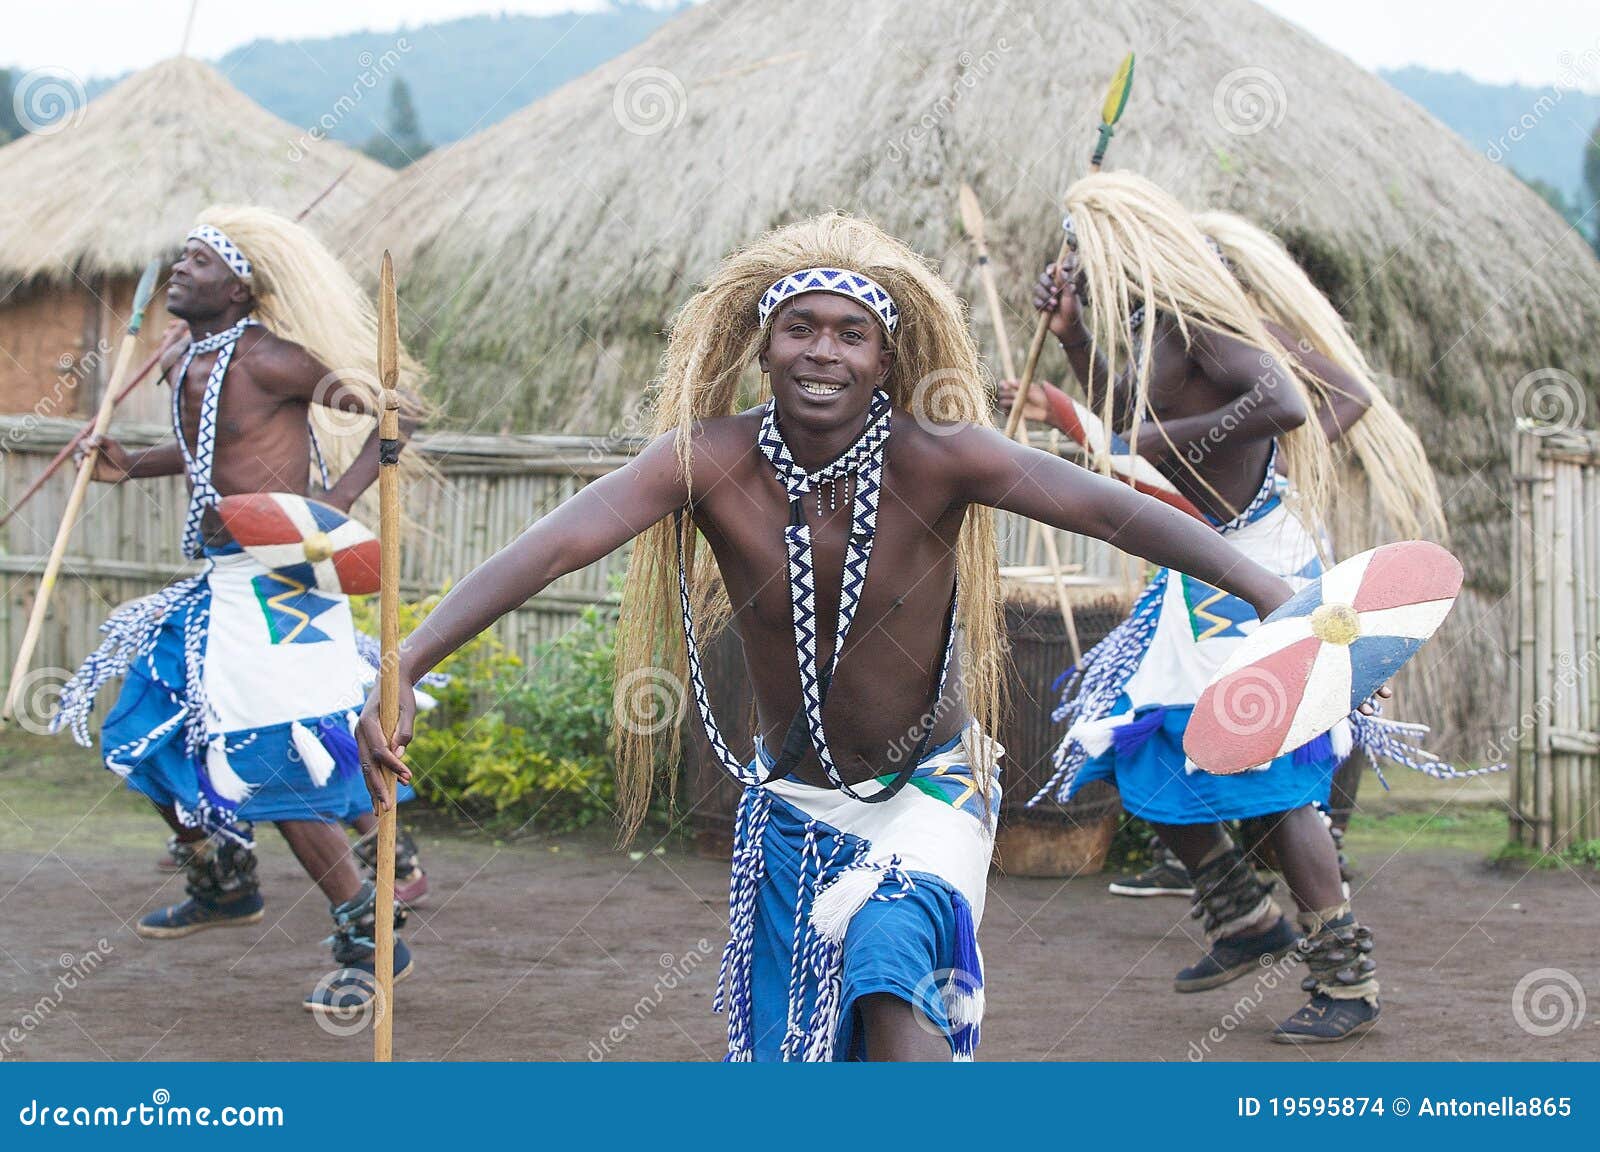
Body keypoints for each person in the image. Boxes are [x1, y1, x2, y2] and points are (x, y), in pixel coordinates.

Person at [355, 213, 1328, 1061]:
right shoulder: (706, 461)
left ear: (885, 358)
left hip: (930, 793)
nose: (824, 351)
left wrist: (1264, 588)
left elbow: (1108, 512)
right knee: (799, 1057)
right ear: (762, 346)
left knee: (889, 980)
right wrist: (407, 657)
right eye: (801, 329)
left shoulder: (943, 456)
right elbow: (558, 543)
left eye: (851, 335)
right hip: (789, 808)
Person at [1018, 172, 1390, 1043]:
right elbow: (1123, 414)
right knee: (1132, 743)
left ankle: (1348, 978)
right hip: (1203, 568)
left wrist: (1134, 444)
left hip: (1251, 566)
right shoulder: (1157, 328)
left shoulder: (1204, 324)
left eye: (1091, 257)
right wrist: (1073, 339)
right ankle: (1245, 918)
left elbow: (1288, 402)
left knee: (1267, 772)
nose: (1083, 269)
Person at [52, 207, 427, 1016]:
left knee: (274, 759)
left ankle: (372, 933)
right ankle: (225, 880)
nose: (178, 269)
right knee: (141, 724)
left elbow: (395, 411)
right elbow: (214, 457)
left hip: (284, 583)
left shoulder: (271, 358)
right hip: (227, 580)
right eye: (179, 258)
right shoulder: (192, 356)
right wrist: (131, 466)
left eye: (197, 259)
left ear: (239, 285)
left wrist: (332, 503)